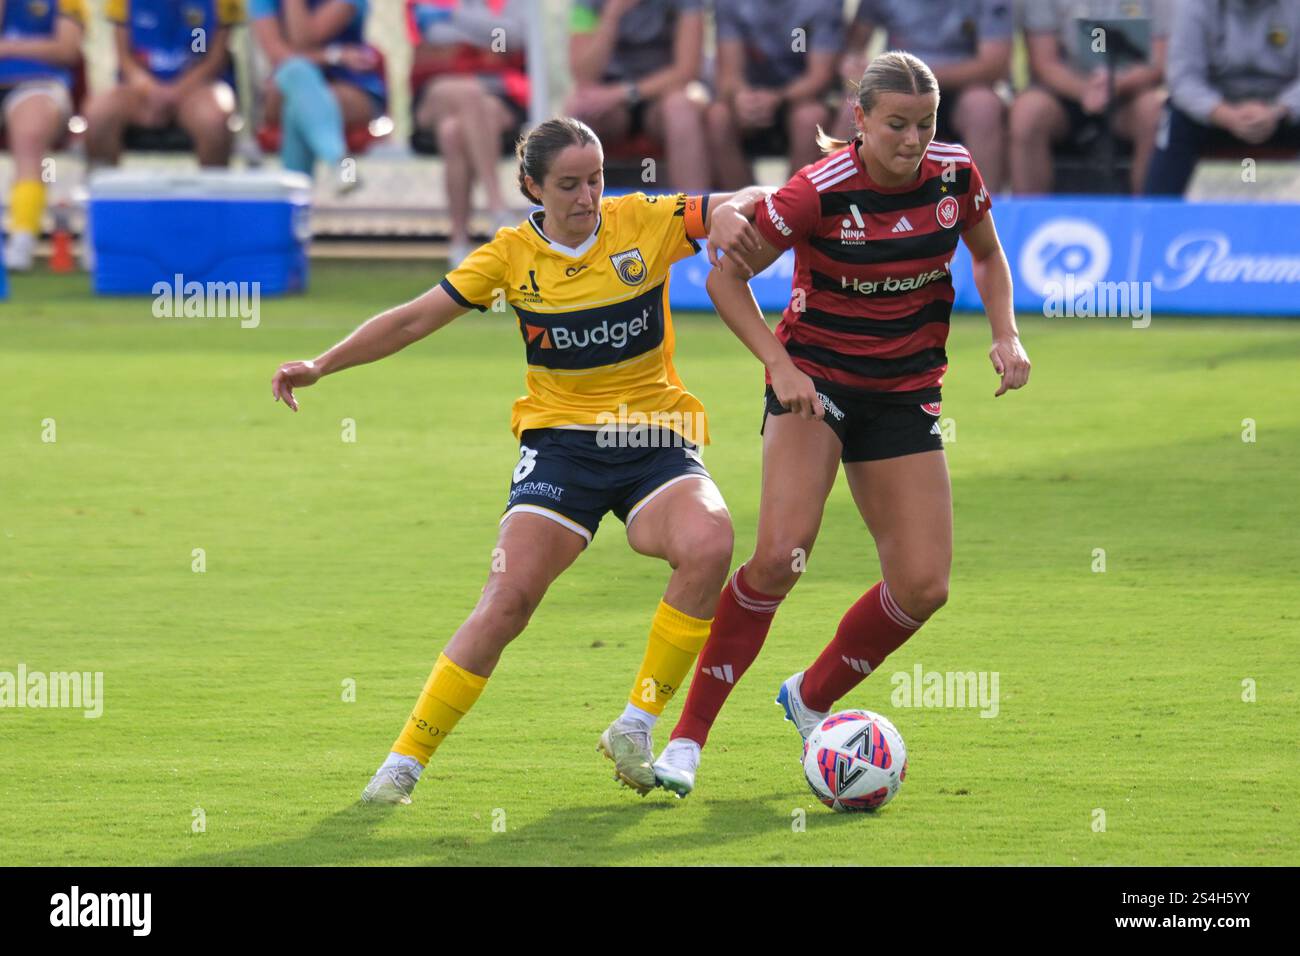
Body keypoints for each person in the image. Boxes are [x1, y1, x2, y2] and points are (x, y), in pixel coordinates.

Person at [271, 118, 766, 804]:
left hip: (653, 442)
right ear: (530, 185)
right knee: (507, 601)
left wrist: (738, 210)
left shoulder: (643, 220)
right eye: (568, 185)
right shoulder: (508, 258)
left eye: (595, 180)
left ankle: (637, 723)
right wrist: (322, 365)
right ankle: (403, 764)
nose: (588, 197)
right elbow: (415, 318)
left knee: (710, 542)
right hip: (561, 449)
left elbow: (736, 198)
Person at [651, 51, 1032, 797]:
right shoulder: (815, 192)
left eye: (925, 124)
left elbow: (987, 256)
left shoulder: (956, 172)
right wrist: (779, 366)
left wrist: (1006, 332)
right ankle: (688, 739)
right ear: (859, 121)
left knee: (923, 587)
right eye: (896, 125)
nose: (913, 140)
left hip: (905, 393)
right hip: (815, 390)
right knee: (780, 557)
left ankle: (811, 698)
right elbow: (724, 278)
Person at [838, 0, 1013, 193]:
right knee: (854, 107)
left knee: (983, 108)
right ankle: (835, 205)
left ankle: (986, 208)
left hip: (963, 87)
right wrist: (853, 66)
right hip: (896, 87)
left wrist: (911, 77)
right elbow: (854, 46)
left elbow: (994, 65)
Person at [407, 0, 530, 265]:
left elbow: (515, 38)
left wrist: (455, 17)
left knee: (453, 131)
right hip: (437, 93)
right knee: (468, 92)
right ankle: (497, 205)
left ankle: (459, 243)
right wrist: (485, 36)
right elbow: (435, 36)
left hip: (499, 96)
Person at [1010, 0, 1171, 194]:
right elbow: (1044, 62)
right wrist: (1085, 91)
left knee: (1154, 112)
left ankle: (1147, 218)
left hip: (1130, 93)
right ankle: (1030, 219)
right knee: (1027, 113)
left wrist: (1116, 84)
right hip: (1063, 92)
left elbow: (1160, 61)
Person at [1144, 0, 1300, 195]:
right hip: (1214, 112)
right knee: (1174, 117)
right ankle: (1156, 217)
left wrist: (1279, 111)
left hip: (1283, 112)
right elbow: (1182, 78)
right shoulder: (1194, 5)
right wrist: (1223, 114)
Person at [565, 0, 709, 192]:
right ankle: (573, 211)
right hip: (610, 102)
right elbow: (583, 74)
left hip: (663, 95)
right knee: (576, 110)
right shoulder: (587, 4)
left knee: (681, 109)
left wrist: (624, 93)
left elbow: (687, 70)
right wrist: (612, 15)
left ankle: (694, 211)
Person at [84, 0, 243, 169]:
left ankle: (213, 192)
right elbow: (124, 58)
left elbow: (215, 58)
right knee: (98, 113)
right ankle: (106, 191)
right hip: (140, 89)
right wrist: (149, 89)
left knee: (213, 120)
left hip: (199, 88)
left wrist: (176, 92)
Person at [707, 0, 844, 189]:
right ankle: (743, 207)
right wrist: (741, 96)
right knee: (717, 117)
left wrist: (779, 97)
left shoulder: (823, 5)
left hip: (801, 99)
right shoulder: (730, 4)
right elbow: (729, 74)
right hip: (748, 98)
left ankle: (793, 207)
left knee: (810, 118)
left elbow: (819, 76)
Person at [249, 0, 385, 184]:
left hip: (348, 87)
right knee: (297, 74)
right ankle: (340, 162)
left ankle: (295, 204)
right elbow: (278, 56)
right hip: (286, 84)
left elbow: (303, 40)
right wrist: (335, 56)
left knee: (298, 106)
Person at [0, 0, 85, 270]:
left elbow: (66, 49)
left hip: (38, 84)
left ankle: (21, 240)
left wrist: (9, 48)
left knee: (30, 133)